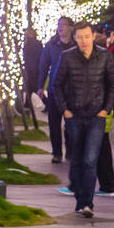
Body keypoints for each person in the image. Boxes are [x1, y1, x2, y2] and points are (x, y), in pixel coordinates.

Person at [50, 21, 114, 218]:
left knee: (90, 159)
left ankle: (87, 203)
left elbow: (112, 84)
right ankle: (81, 199)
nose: (84, 41)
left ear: (93, 36)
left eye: (87, 36)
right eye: (80, 37)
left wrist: (105, 109)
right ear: (75, 38)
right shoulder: (67, 56)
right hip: (74, 116)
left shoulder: (104, 56)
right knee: (77, 158)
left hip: (96, 116)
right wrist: (65, 110)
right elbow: (56, 85)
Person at [37, 17, 73, 163]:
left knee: (71, 122)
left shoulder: (76, 44)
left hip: (72, 90)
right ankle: (56, 153)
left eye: (64, 25)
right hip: (54, 90)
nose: (60, 27)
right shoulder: (51, 45)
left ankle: (71, 151)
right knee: (54, 123)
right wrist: (40, 86)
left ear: (71, 27)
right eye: (59, 25)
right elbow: (43, 65)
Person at [20, 27, 41, 130]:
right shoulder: (36, 43)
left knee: (33, 88)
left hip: (32, 69)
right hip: (34, 69)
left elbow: (29, 57)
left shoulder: (30, 44)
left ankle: (27, 105)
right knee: (31, 88)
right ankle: (27, 104)